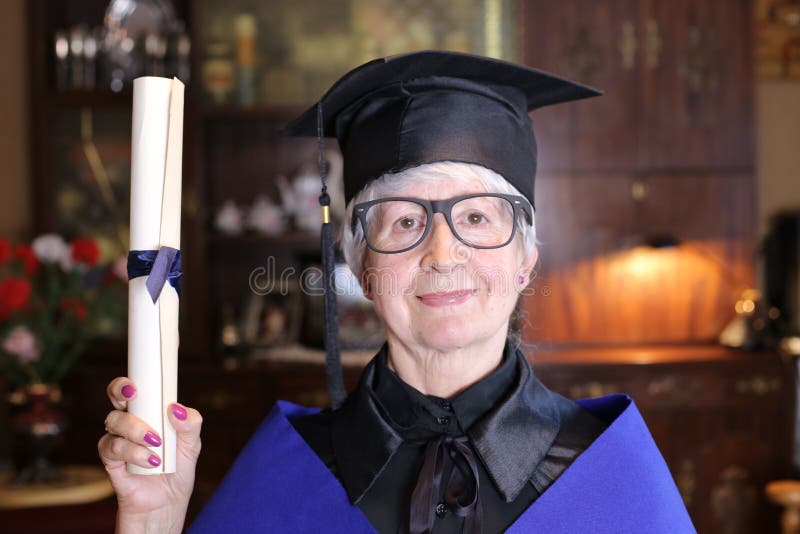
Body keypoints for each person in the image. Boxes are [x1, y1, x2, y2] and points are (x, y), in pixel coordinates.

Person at [98, 51, 695, 533]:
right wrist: (153, 521)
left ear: (525, 261)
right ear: (360, 269)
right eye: (405, 222)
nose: (441, 255)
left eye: (479, 219)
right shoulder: (288, 474)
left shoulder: (611, 475)